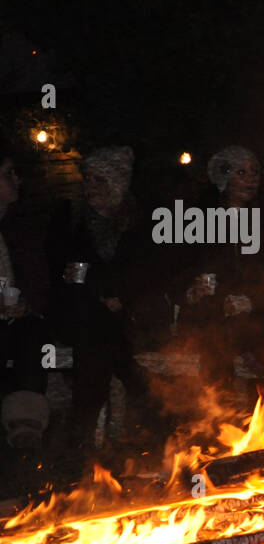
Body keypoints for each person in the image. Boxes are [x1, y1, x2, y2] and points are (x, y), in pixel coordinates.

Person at [45, 145, 155, 449]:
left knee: (100, 347)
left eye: (100, 181)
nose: (90, 188)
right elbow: (62, 268)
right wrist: (103, 290)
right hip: (76, 312)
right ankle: (155, 421)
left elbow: (145, 271)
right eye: (88, 180)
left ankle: (78, 442)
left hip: (122, 315)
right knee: (101, 340)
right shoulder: (69, 217)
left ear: (118, 184)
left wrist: (119, 294)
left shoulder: (136, 222)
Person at [0, 140, 54, 449]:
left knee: (33, 338)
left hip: (17, 318)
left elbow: (38, 277)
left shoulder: (18, 225)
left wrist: (26, 304)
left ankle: (25, 425)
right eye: (8, 174)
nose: (16, 180)